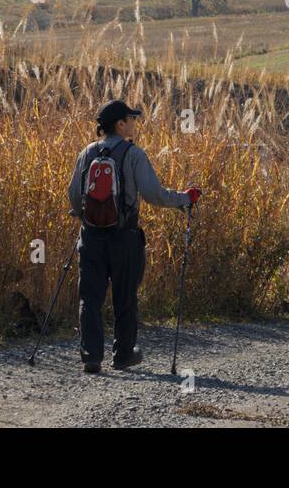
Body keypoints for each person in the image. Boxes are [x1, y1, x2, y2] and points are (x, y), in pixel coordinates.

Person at [67, 99, 199, 373]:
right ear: (120, 124)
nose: (135, 123)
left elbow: (74, 196)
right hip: (124, 237)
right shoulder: (133, 154)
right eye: (131, 119)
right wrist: (184, 199)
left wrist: (87, 220)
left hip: (90, 237)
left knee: (89, 297)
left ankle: (92, 355)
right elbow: (154, 194)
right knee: (125, 297)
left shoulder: (87, 153)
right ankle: (123, 354)